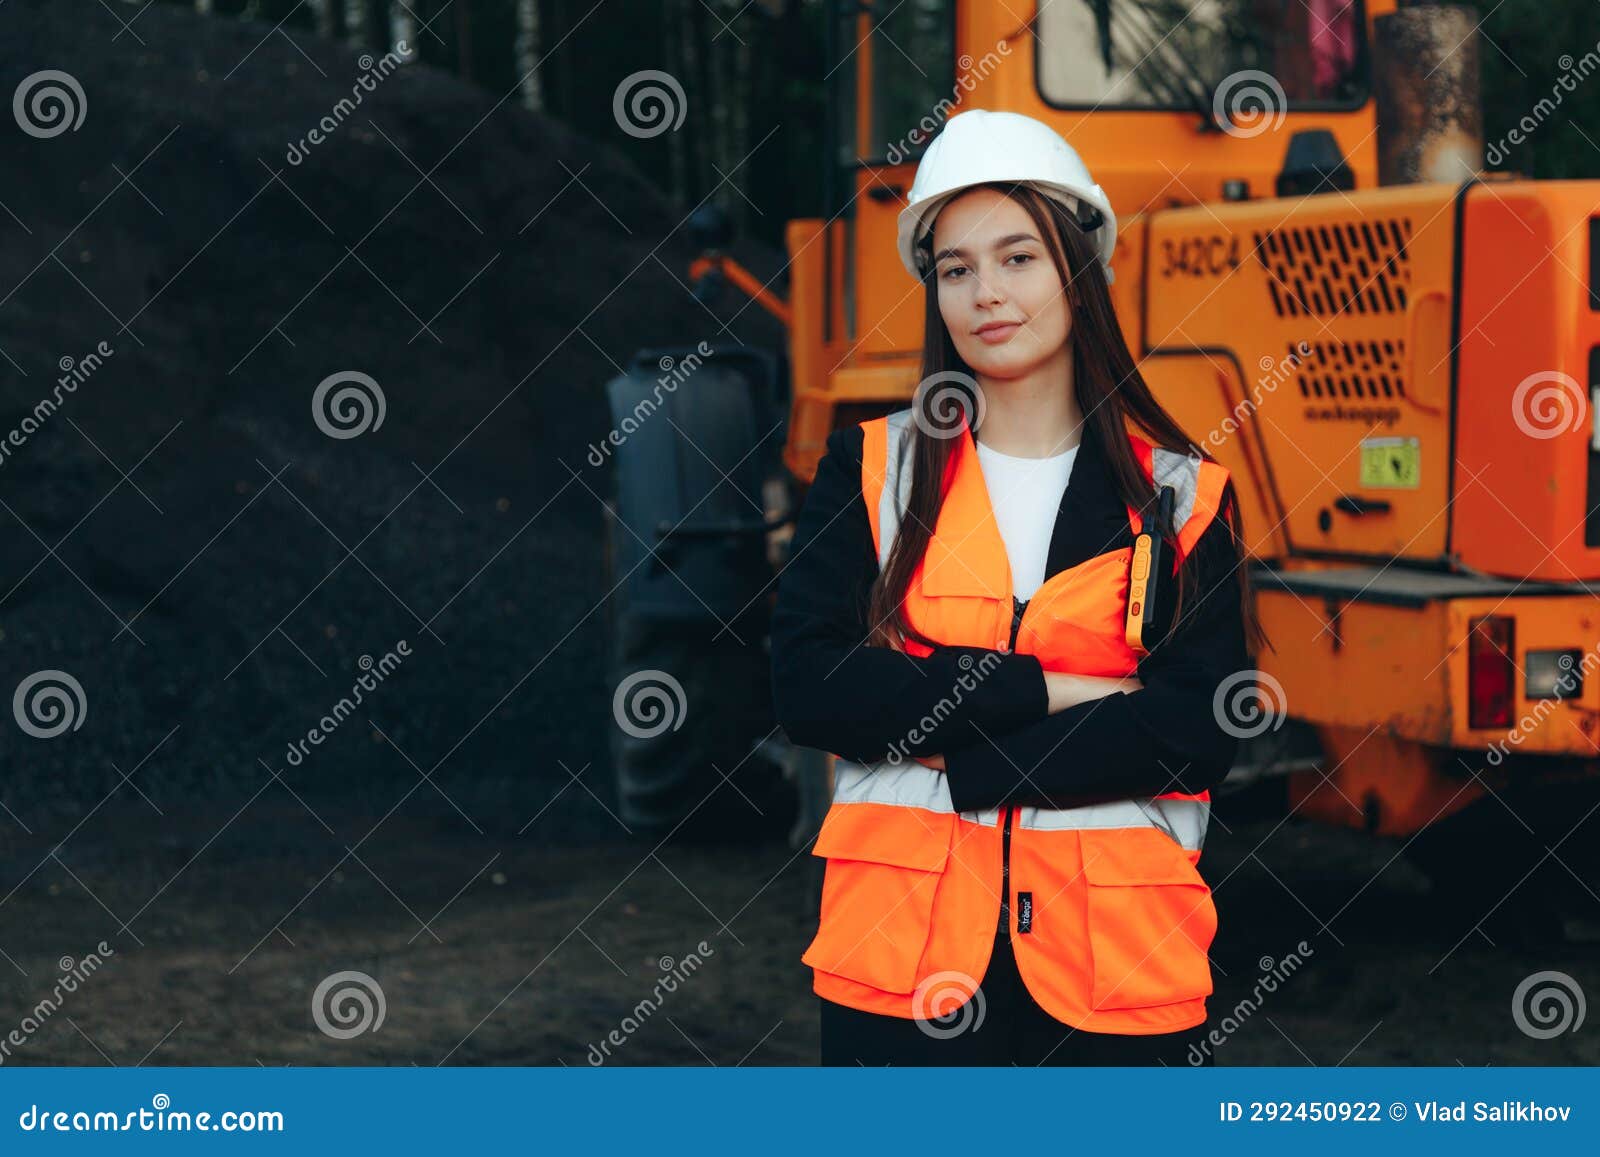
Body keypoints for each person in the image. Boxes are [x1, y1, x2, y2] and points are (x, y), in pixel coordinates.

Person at [769, 109, 1271, 1067]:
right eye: (955, 269)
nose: (985, 294)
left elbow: (1200, 725)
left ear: (1078, 276)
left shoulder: (1181, 493)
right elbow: (812, 690)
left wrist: (969, 770)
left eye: (1018, 259)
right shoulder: (872, 472)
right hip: (904, 972)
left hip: (1113, 977)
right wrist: (1056, 687)